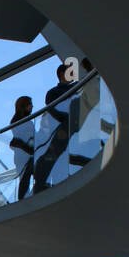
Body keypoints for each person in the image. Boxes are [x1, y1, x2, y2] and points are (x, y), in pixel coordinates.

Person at [32, 63, 80, 193]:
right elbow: (53, 111)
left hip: (72, 132)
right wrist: (67, 120)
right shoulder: (54, 92)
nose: (73, 75)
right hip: (61, 132)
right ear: (61, 75)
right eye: (70, 72)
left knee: (63, 162)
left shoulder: (77, 89)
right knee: (58, 162)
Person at [9, 95, 36, 200]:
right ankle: (24, 199)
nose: (32, 106)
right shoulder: (18, 122)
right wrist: (30, 150)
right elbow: (19, 140)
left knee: (28, 177)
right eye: (30, 104)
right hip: (23, 154)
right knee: (25, 178)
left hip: (27, 153)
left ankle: (28, 196)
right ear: (24, 106)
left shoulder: (26, 121)